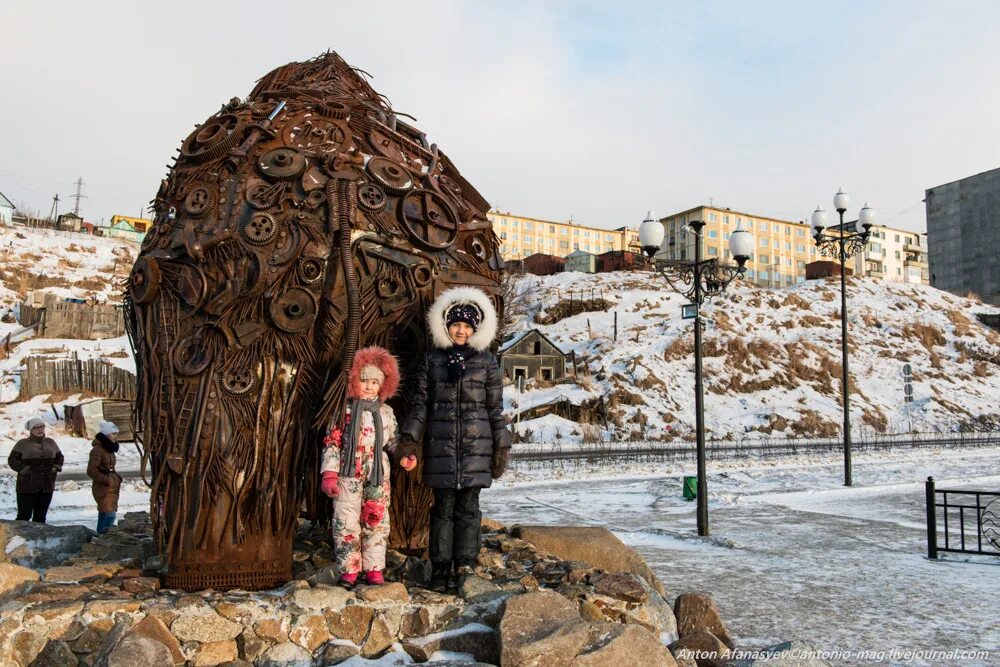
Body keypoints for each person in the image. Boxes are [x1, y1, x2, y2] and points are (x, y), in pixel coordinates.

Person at [399, 286, 512, 592]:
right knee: (442, 509)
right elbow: (420, 404)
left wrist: (502, 445)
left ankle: (464, 565)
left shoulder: (487, 362)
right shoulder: (431, 360)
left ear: (475, 329)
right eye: (456, 325)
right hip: (441, 448)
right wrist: (409, 439)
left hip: (476, 449)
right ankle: (440, 567)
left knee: (470, 510)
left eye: (466, 326)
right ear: (446, 326)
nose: (461, 331)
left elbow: (494, 408)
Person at [320, 346, 413, 588]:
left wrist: (403, 456)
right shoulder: (344, 411)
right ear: (354, 382)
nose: (370, 386)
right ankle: (349, 571)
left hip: (377, 475)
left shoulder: (386, 412)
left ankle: (374, 570)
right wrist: (329, 473)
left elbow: (393, 441)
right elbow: (332, 442)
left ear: (383, 384)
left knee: (377, 520)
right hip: (347, 474)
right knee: (346, 521)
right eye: (364, 381)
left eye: (375, 382)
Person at [8, 417, 64, 523]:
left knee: (40, 517)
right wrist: (23, 469)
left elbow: (60, 456)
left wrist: (55, 467)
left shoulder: (51, 442)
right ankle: (18, 538)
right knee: (24, 516)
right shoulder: (23, 443)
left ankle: (38, 539)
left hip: (46, 485)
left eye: (42, 426)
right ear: (31, 430)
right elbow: (12, 460)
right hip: (27, 485)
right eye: (36, 427)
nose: (40, 430)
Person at [87, 421, 122, 534]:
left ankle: (99, 536)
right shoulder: (98, 450)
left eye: (116, 434)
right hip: (103, 488)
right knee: (110, 515)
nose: (116, 436)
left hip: (110, 487)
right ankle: (104, 537)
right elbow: (92, 470)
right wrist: (107, 480)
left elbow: (110, 468)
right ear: (106, 435)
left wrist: (116, 477)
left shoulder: (109, 449)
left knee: (104, 513)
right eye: (113, 434)